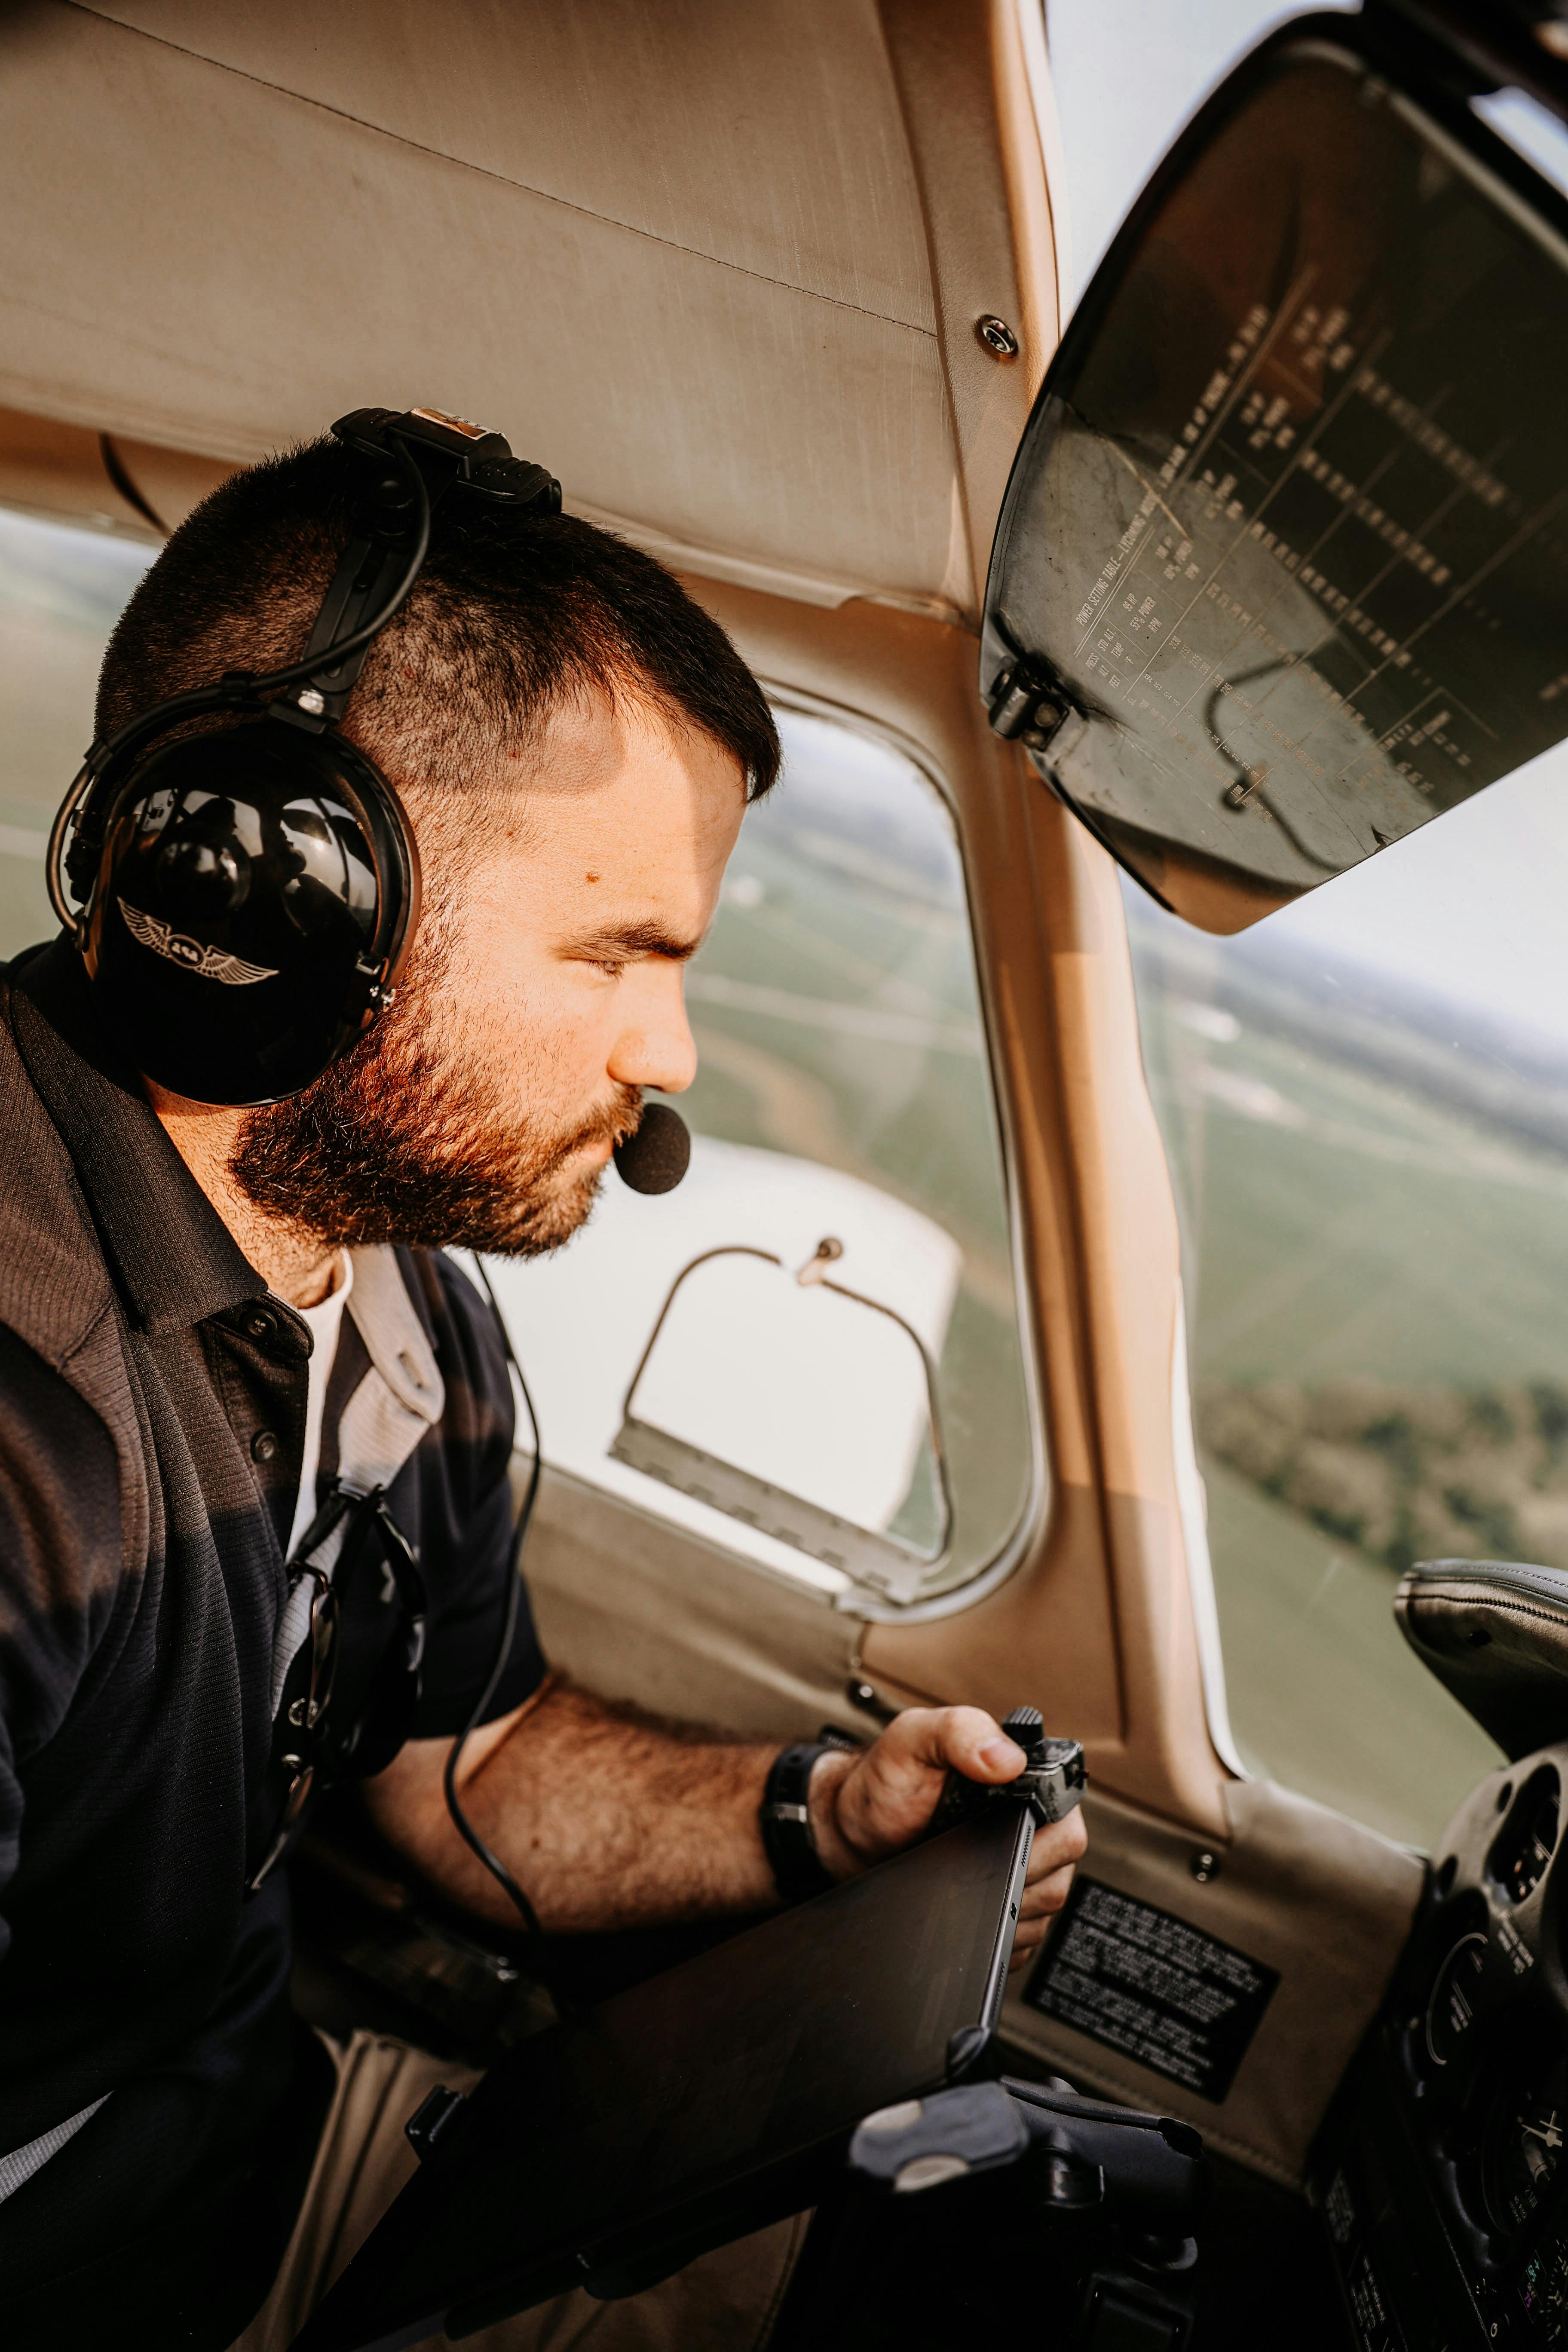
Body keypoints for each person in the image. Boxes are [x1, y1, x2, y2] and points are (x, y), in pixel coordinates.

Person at [0, 434, 1087, 2352]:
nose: (669, 1048)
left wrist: (820, 1818)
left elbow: (464, 1770)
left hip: (260, 2145)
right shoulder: (29, 1437)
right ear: (280, 902)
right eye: (618, 951)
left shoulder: (398, 1292)